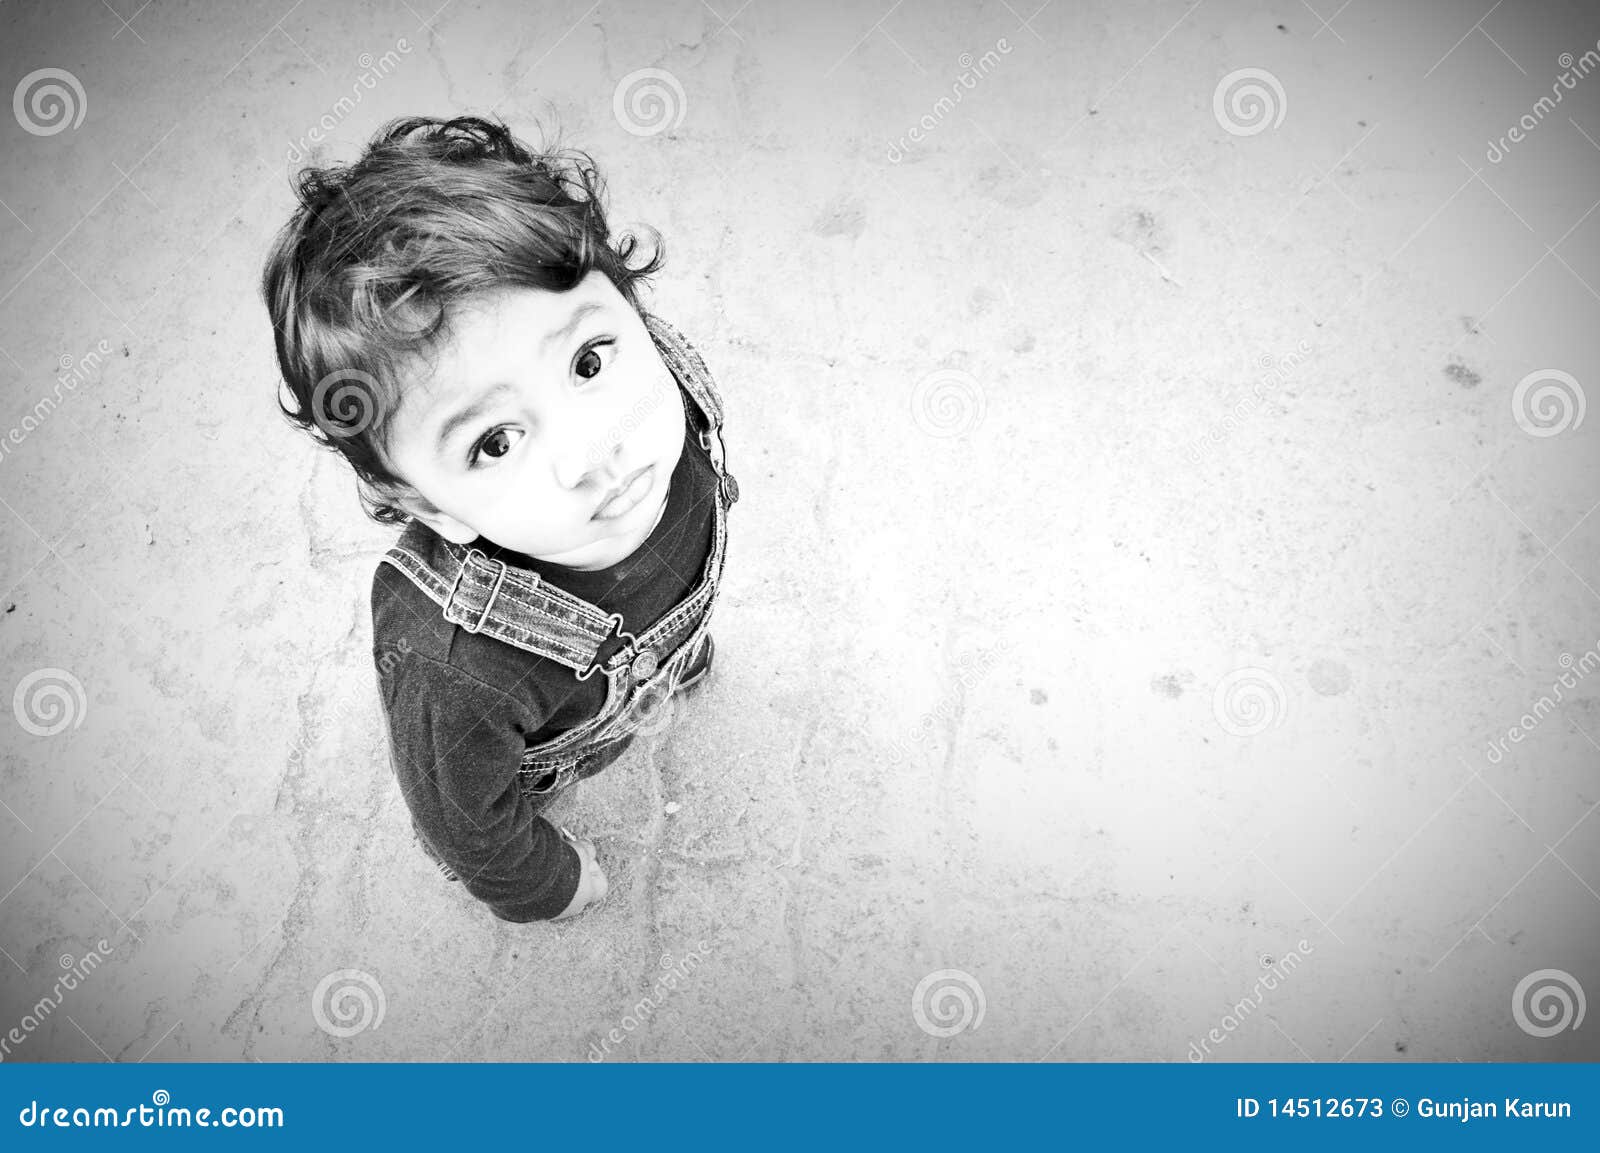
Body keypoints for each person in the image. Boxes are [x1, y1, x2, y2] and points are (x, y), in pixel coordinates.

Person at [259, 115, 738, 922]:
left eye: (588, 362)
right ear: (428, 505)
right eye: (495, 441)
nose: (596, 450)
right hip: (549, 746)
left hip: (654, 637)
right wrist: (538, 882)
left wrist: (671, 653)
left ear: (632, 306)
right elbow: (462, 819)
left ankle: (672, 658)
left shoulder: (666, 408)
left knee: (666, 610)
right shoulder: (455, 668)